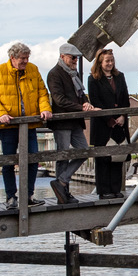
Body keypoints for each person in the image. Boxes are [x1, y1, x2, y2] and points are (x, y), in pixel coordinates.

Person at [0, 42, 53, 210]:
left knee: (32, 159)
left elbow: (42, 92)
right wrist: (0, 113)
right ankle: (10, 197)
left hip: (29, 123)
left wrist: (45, 108)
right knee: (8, 161)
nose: (25, 61)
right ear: (12, 58)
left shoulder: (33, 69)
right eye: (22, 58)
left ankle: (29, 195)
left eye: (27, 58)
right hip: (8, 125)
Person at [45, 43, 97, 204]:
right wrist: (81, 107)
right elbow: (59, 100)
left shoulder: (74, 74)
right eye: (72, 57)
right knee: (63, 155)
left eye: (76, 58)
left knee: (84, 151)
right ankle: (63, 193)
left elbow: (82, 94)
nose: (75, 60)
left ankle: (61, 182)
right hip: (62, 121)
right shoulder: (54, 74)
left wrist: (86, 104)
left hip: (75, 121)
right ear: (62, 57)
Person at [87, 48, 133, 199]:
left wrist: (122, 116)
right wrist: (109, 119)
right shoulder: (93, 79)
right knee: (103, 158)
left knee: (117, 157)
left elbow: (125, 98)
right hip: (103, 123)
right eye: (107, 61)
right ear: (100, 62)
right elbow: (95, 100)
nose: (110, 63)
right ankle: (104, 190)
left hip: (119, 122)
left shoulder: (120, 77)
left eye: (112, 60)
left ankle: (116, 188)